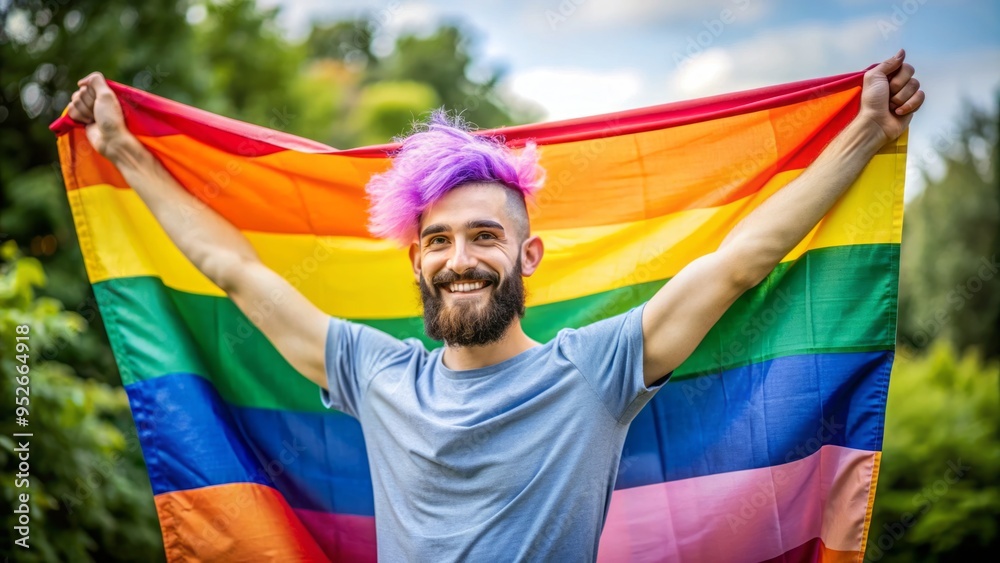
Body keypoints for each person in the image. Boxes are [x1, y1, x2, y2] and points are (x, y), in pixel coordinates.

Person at [66, 50, 923, 561]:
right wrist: (124, 152)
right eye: (438, 240)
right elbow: (234, 269)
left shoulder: (595, 371)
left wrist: (863, 134)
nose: (460, 259)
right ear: (416, 259)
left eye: (484, 235)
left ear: (526, 254)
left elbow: (739, 264)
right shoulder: (371, 370)